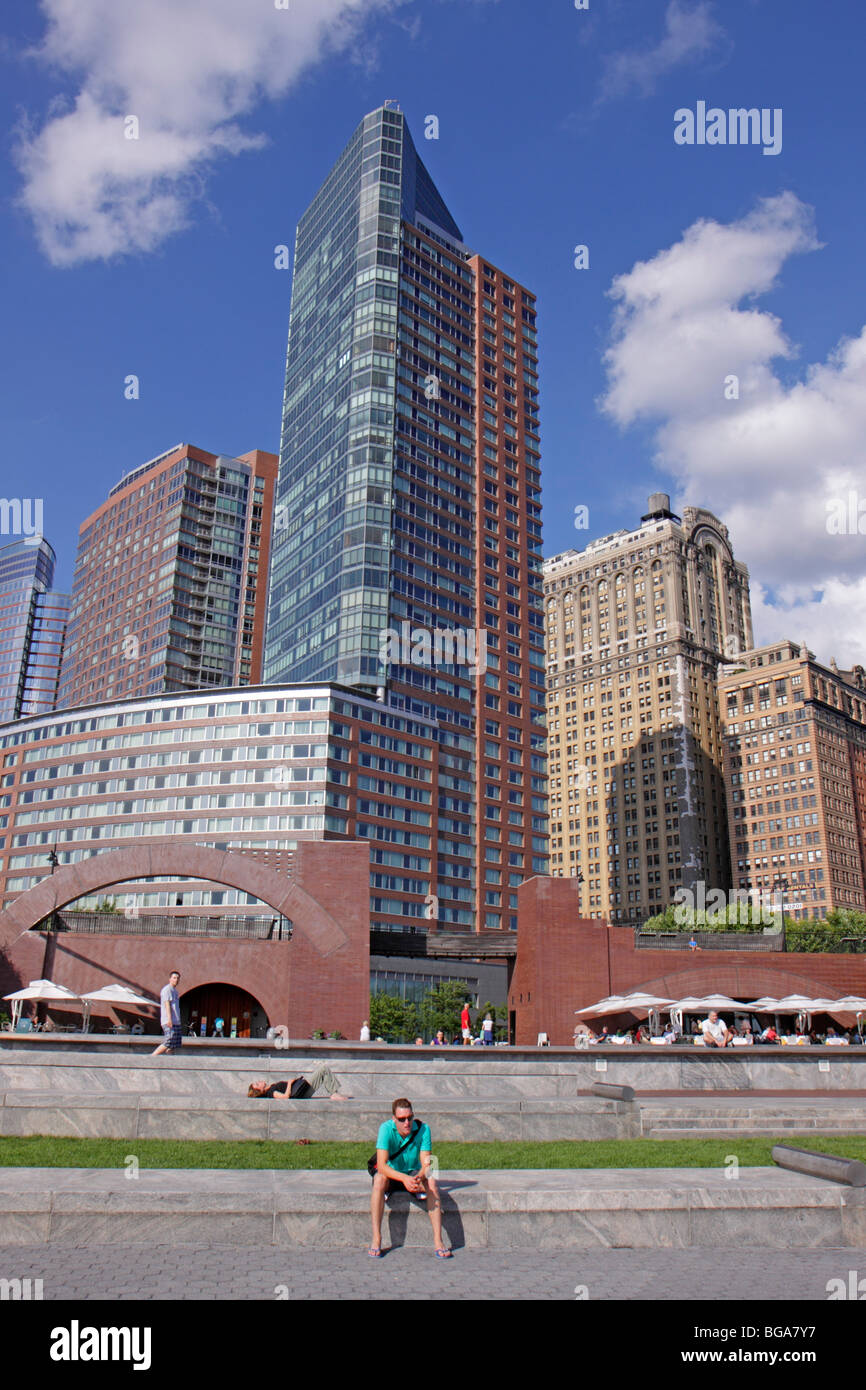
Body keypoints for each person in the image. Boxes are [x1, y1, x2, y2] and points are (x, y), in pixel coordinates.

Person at [369, 1098, 451, 1259]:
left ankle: (438, 1240)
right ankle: (376, 1238)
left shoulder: (423, 1129)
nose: (407, 1123)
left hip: (413, 1173)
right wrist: (404, 1179)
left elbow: (428, 1163)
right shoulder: (385, 1129)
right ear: (394, 1119)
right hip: (393, 1174)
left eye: (410, 1118)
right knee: (379, 1180)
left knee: (432, 1181)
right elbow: (381, 1165)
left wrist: (418, 1177)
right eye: (401, 1119)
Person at [247, 1066, 351, 1100]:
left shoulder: (270, 1088)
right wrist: (289, 1083)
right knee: (323, 1069)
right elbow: (285, 1097)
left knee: (322, 1072)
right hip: (300, 1093)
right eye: (257, 1084)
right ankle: (334, 1094)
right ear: (259, 1090)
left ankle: (334, 1093)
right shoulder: (271, 1092)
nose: (259, 1082)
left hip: (301, 1090)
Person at [151, 971, 182, 1057]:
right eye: (174, 978)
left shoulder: (175, 991)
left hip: (176, 1021)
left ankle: (170, 1061)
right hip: (169, 1021)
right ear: (170, 979)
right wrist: (169, 1019)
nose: (176, 980)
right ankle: (152, 1056)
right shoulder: (167, 990)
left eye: (178, 978)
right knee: (169, 1040)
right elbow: (167, 1004)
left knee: (174, 1044)